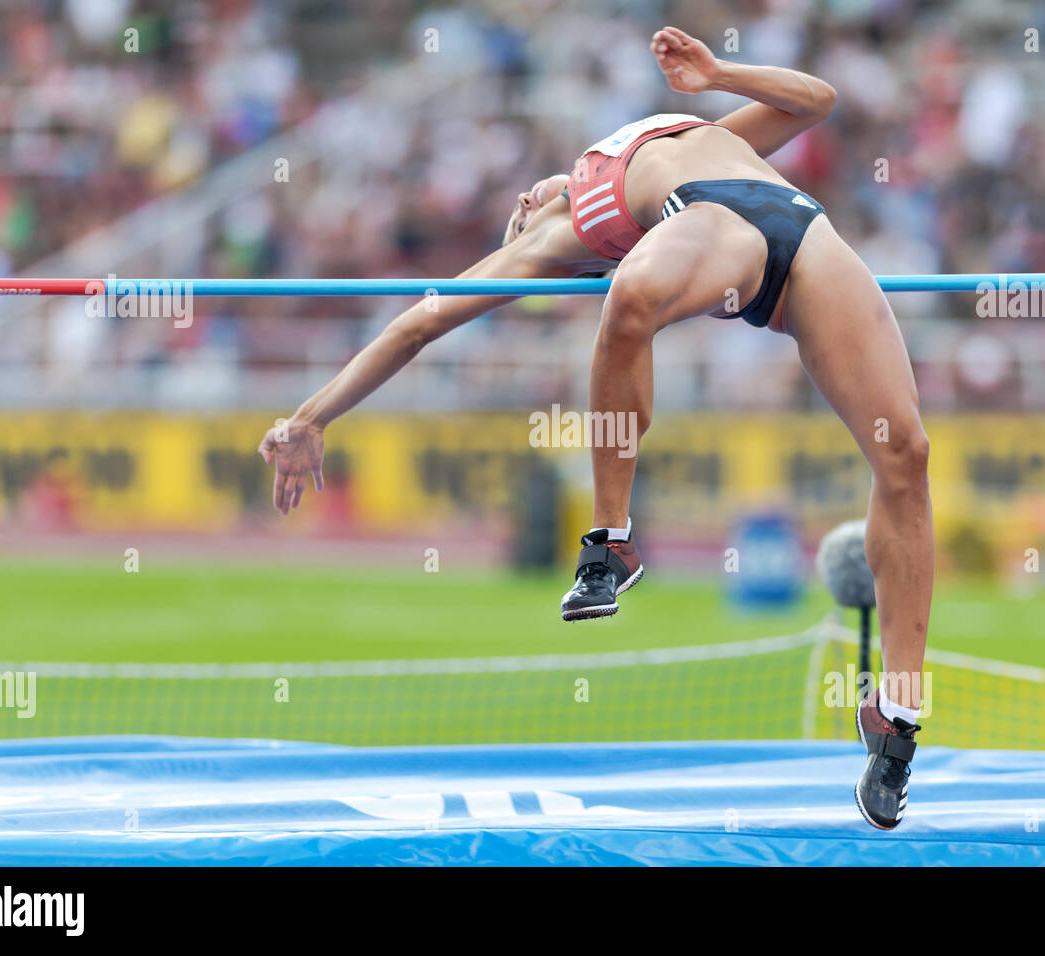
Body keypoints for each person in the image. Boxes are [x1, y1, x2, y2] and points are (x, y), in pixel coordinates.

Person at [259, 26, 933, 830]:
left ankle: (897, 718)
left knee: (907, 455)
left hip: (802, 231)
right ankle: (611, 538)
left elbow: (815, 100)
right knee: (630, 301)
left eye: (531, 196)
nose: (523, 203)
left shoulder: (691, 136)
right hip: (712, 228)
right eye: (520, 211)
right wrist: (309, 417)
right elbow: (417, 326)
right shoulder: (564, 231)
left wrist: (717, 73)